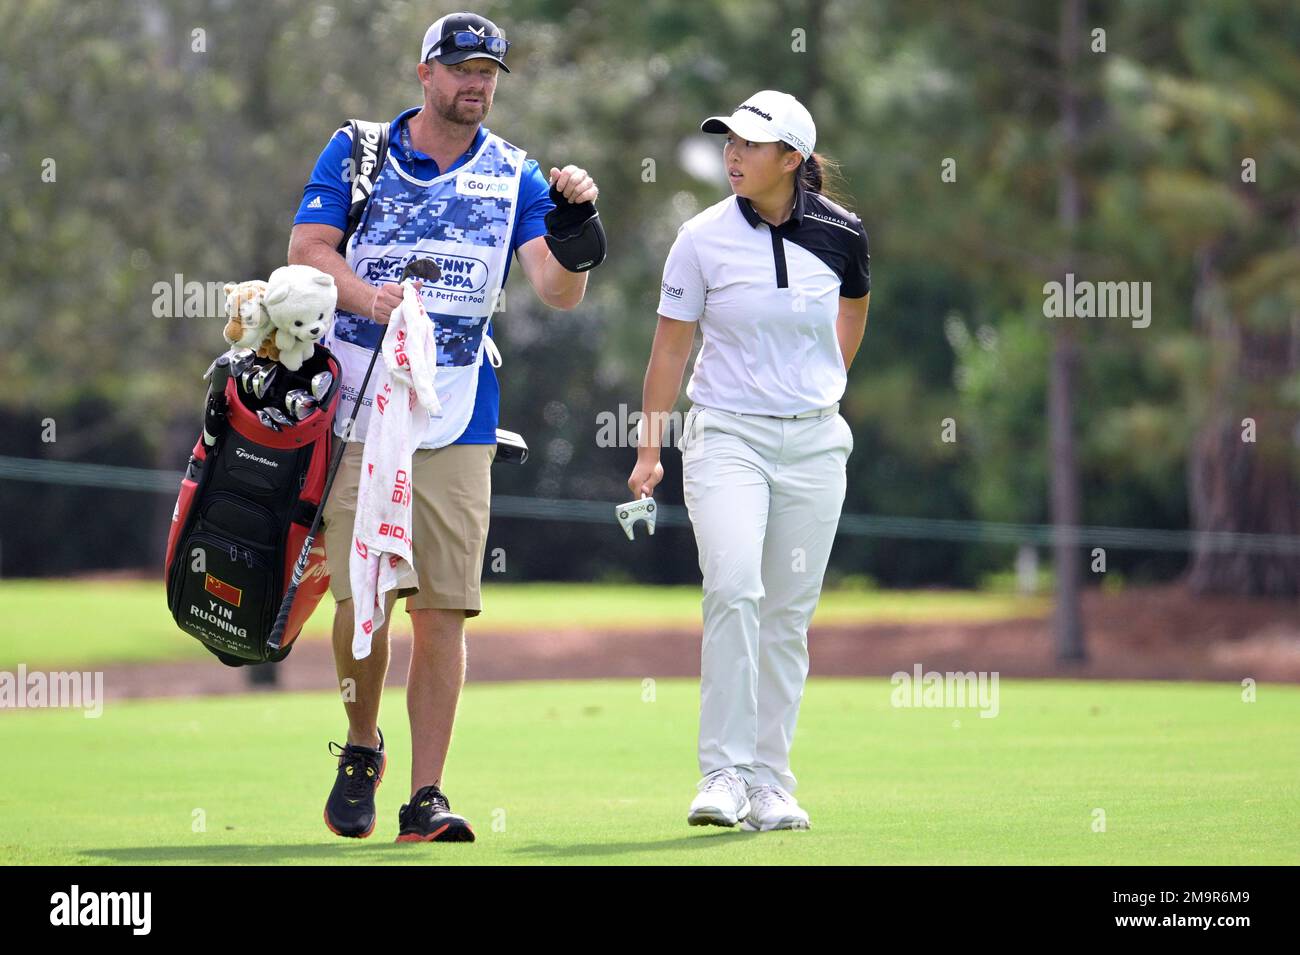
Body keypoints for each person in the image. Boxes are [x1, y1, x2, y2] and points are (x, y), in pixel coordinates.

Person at [287, 11, 602, 843]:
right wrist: (368, 297)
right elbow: (308, 250)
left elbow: (556, 290)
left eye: (490, 71)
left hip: (459, 410)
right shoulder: (357, 150)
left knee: (442, 606)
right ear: (424, 73)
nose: (477, 83)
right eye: (462, 68)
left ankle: (425, 798)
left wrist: (575, 230)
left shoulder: (517, 174)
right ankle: (361, 745)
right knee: (364, 598)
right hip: (357, 401)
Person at [627, 90, 870, 831]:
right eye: (728, 141)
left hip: (816, 442)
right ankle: (724, 772)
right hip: (727, 434)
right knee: (735, 587)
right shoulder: (700, 237)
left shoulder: (843, 235)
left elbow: (852, 315)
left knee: (788, 617)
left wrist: (820, 387)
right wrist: (647, 449)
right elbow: (671, 345)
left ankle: (771, 782)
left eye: (750, 145)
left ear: (792, 159)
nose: (732, 154)